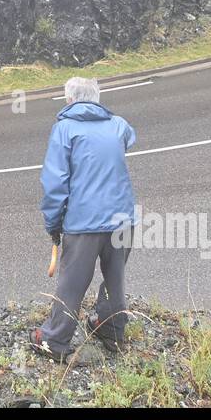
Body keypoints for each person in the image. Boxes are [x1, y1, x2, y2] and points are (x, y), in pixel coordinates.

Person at [30, 77, 137, 362]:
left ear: (69, 100)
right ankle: (111, 328)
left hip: (85, 223)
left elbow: (55, 184)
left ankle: (53, 340)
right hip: (123, 219)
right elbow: (129, 139)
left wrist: (53, 223)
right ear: (97, 98)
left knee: (72, 282)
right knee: (115, 278)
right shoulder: (118, 125)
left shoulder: (64, 130)